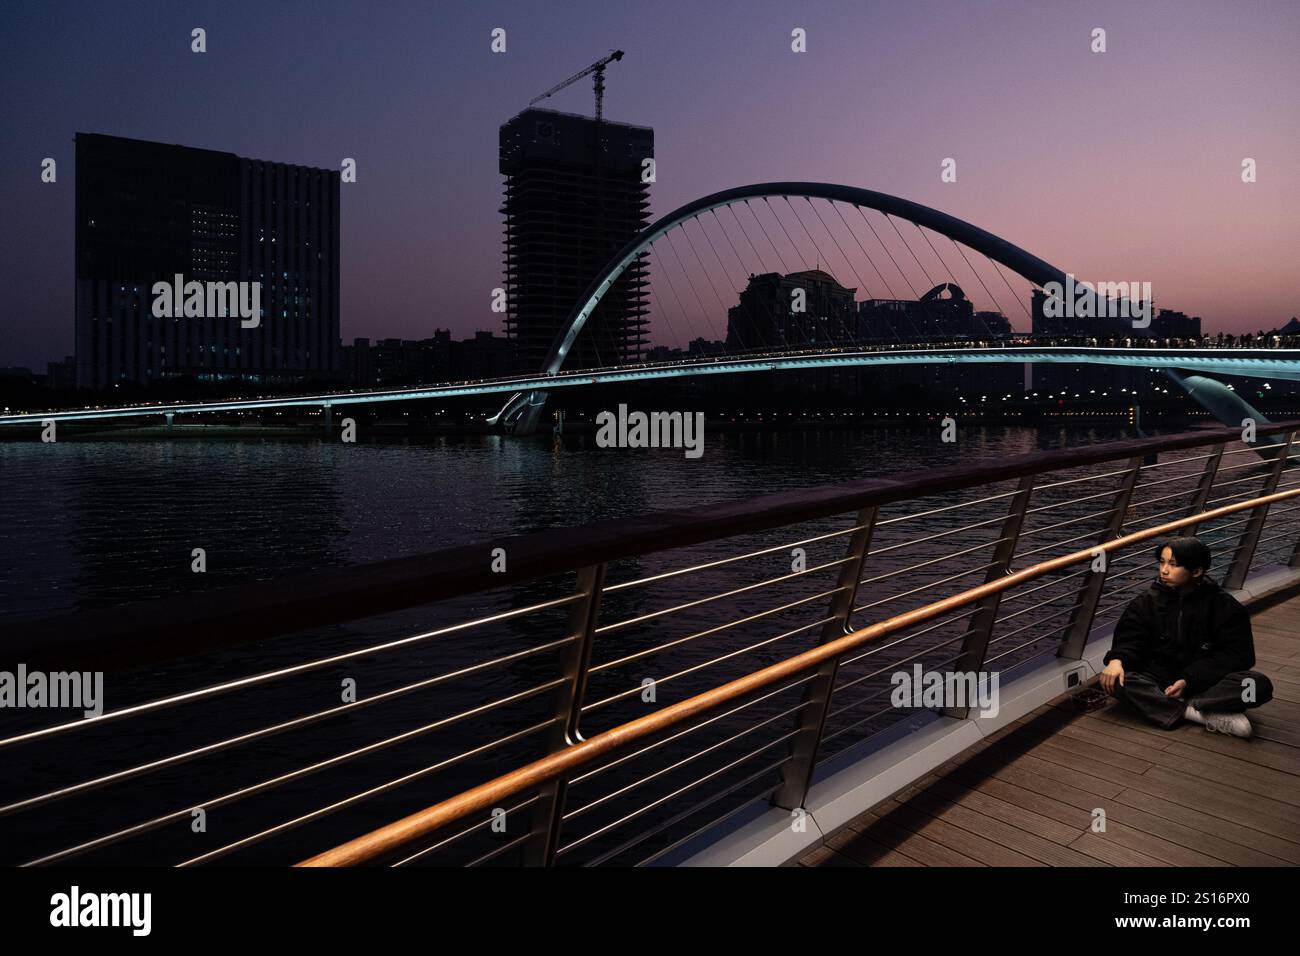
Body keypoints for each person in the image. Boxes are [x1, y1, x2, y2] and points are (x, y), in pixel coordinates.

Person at [1099, 536, 1273, 737]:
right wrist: (1116, 659)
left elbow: (1240, 656)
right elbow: (1131, 639)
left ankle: (1175, 705)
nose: (1164, 570)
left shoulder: (1224, 606)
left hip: (1206, 682)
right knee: (1119, 681)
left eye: (1173, 565)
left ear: (1196, 571)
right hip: (1160, 679)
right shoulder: (1146, 602)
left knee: (1257, 685)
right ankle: (1197, 713)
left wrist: (1189, 680)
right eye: (1162, 562)